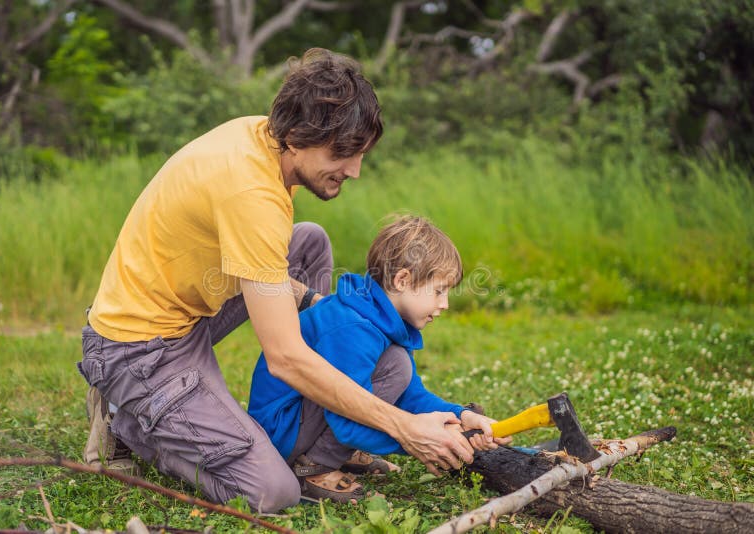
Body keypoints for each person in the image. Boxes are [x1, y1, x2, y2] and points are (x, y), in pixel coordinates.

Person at [77, 48, 479, 514]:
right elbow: (286, 358)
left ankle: (331, 424)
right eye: (342, 153)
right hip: (141, 350)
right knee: (273, 491)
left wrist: (340, 327)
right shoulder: (251, 193)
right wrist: (404, 428)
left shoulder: (263, 138)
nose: (353, 170)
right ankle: (128, 420)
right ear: (297, 136)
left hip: (184, 313)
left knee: (307, 242)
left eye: (360, 154)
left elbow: (267, 270)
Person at [248, 215, 512, 503]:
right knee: (396, 365)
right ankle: (314, 467)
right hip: (282, 430)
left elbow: (412, 396)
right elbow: (347, 421)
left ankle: (337, 452)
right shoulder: (354, 328)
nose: (445, 304)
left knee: (397, 365)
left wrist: (462, 417)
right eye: (438, 291)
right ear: (402, 280)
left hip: (304, 419)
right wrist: (418, 440)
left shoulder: (381, 317)